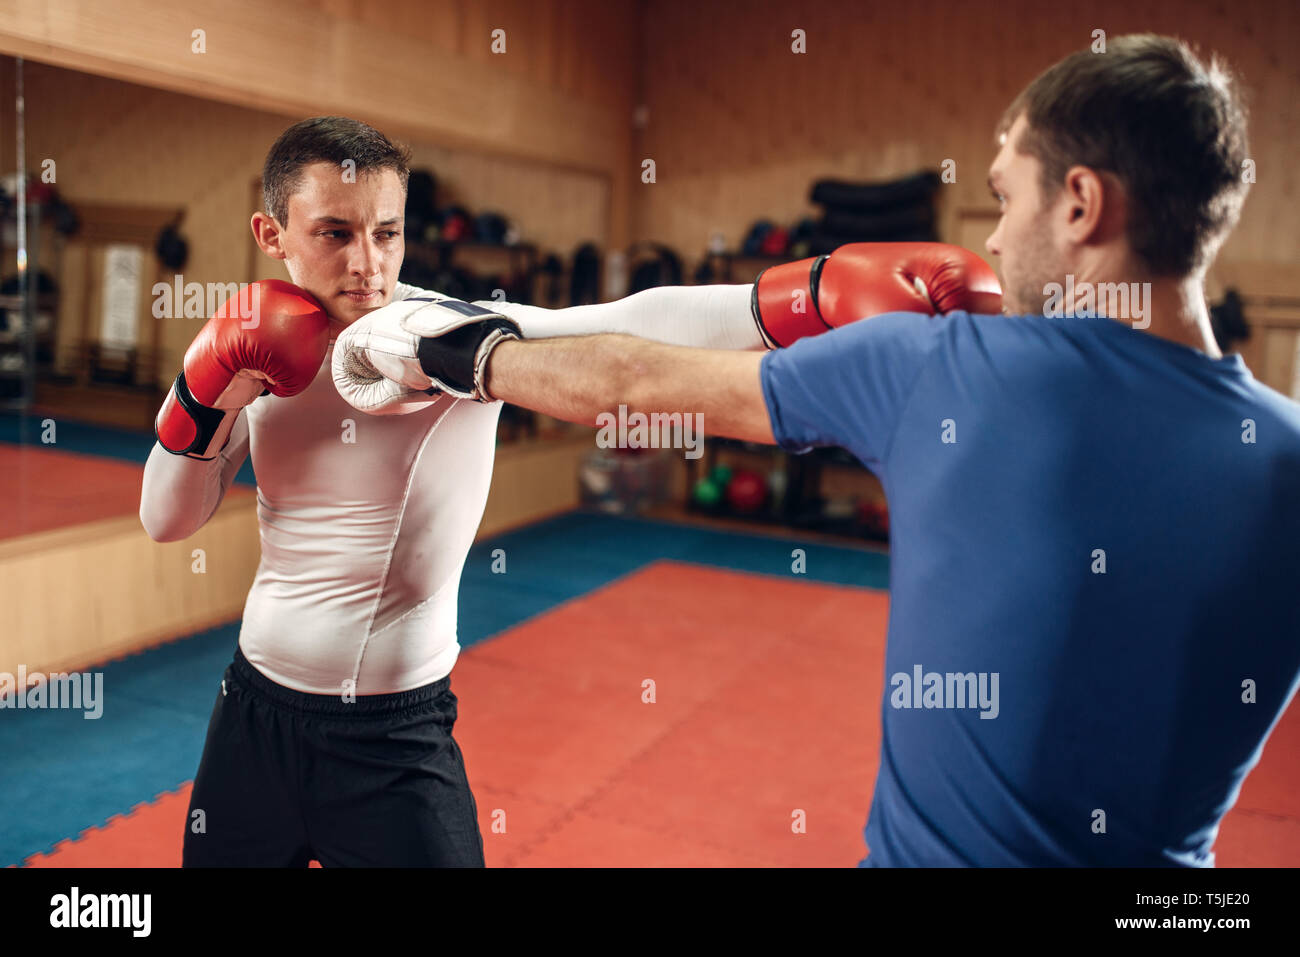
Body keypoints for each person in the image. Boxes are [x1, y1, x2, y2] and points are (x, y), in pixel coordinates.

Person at [340, 35, 1300, 866]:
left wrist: (437, 348)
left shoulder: (944, 369)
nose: (996, 239)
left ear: (1082, 203)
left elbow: (631, 380)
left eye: (1007, 197)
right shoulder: (1286, 458)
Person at [141, 115, 778, 867]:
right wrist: (208, 387)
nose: (367, 264)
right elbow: (167, 518)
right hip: (251, 715)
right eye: (334, 233)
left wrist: (803, 302)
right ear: (271, 233)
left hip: (391, 741)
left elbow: (623, 320)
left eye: (387, 232)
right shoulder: (252, 337)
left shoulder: (445, 336)